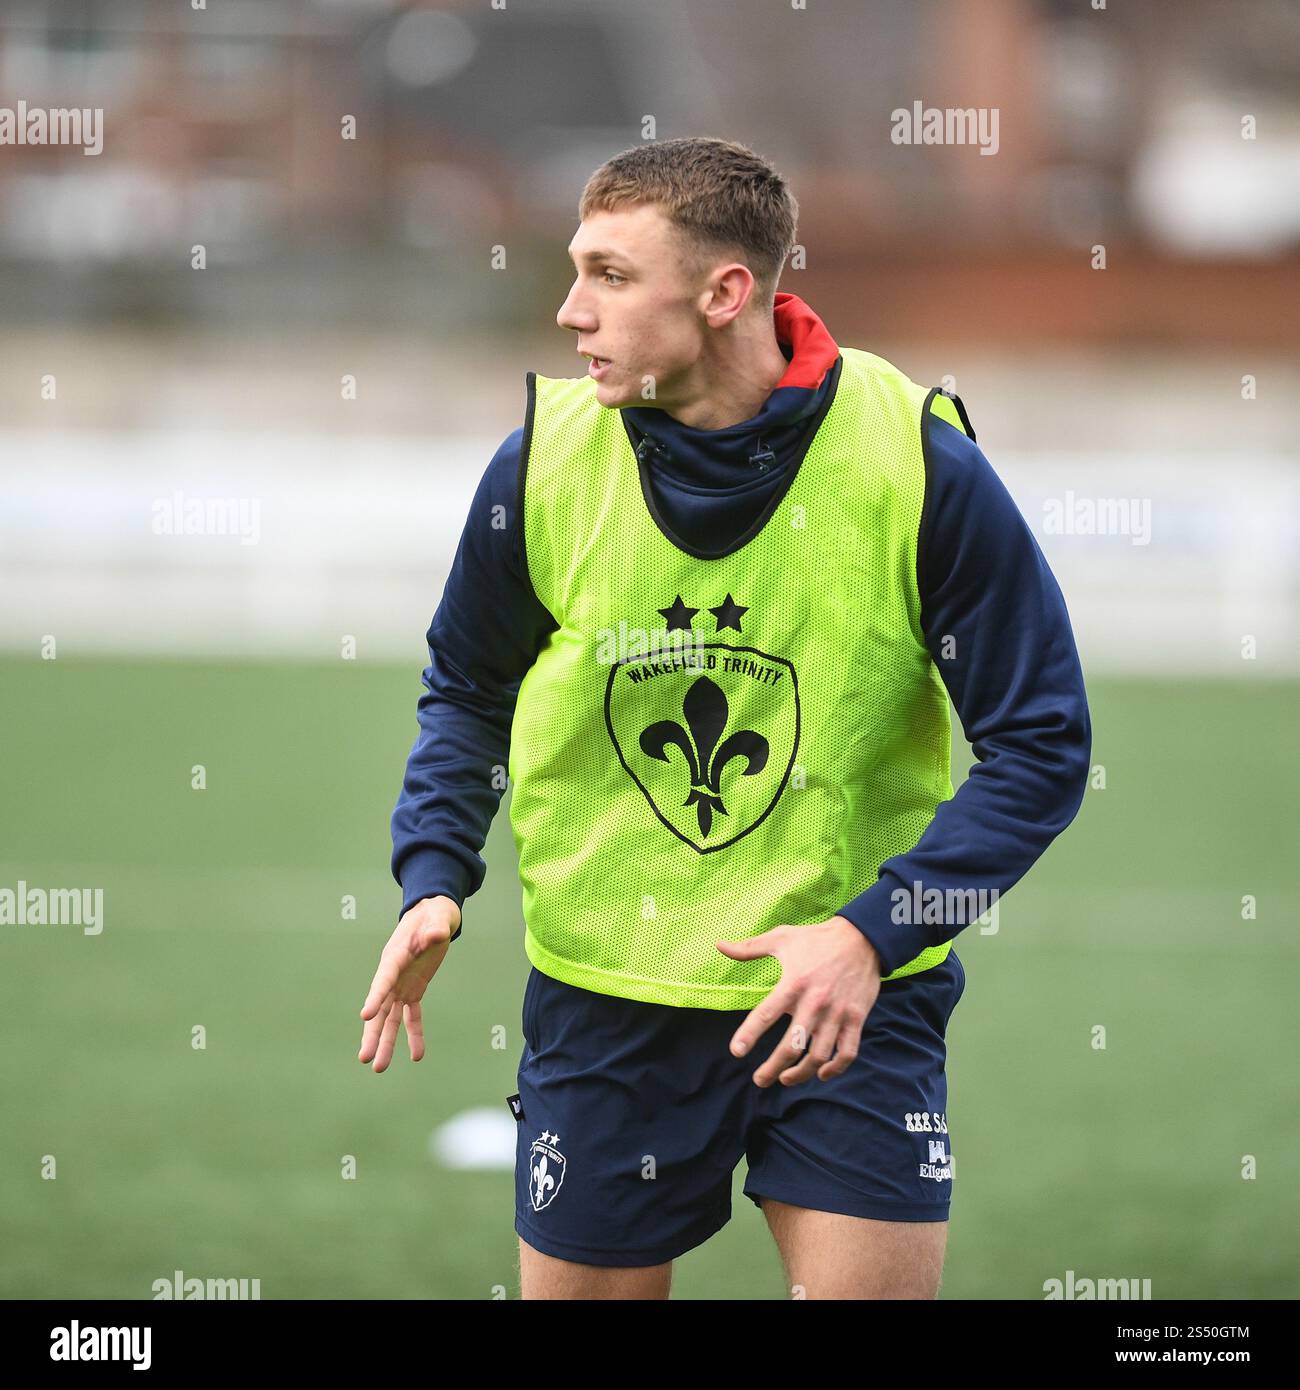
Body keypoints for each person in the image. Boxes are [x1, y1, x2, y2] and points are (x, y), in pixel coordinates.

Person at [359, 136, 1091, 1300]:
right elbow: (465, 690)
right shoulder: (537, 468)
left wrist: (872, 933)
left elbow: (1043, 745)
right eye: (573, 268)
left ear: (725, 291)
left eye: (607, 275)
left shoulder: (916, 464)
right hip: (608, 1000)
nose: (567, 311)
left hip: (849, 996)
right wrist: (435, 873)